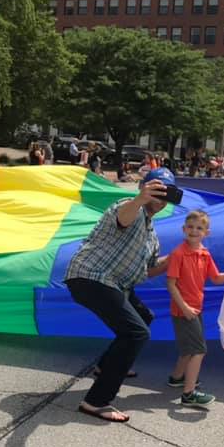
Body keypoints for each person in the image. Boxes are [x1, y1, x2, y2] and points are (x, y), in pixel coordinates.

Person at [65, 167, 174, 423]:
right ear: (144, 188)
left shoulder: (152, 235)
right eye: (156, 190)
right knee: (136, 333)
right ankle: (96, 401)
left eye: (165, 193)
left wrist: (178, 257)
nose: (160, 198)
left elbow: (147, 271)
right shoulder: (128, 207)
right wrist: (140, 199)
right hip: (90, 277)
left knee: (143, 317)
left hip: (115, 284)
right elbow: (124, 218)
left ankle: (105, 366)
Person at [166, 210, 224, 408]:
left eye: (199, 228)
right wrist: (185, 307)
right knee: (199, 350)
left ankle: (176, 378)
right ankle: (188, 394)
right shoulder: (178, 254)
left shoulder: (205, 255)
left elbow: (215, 278)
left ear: (207, 233)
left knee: (188, 349)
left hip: (196, 309)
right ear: (183, 229)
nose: (194, 231)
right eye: (190, 227)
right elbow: (171, 284)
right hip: (183, 310)